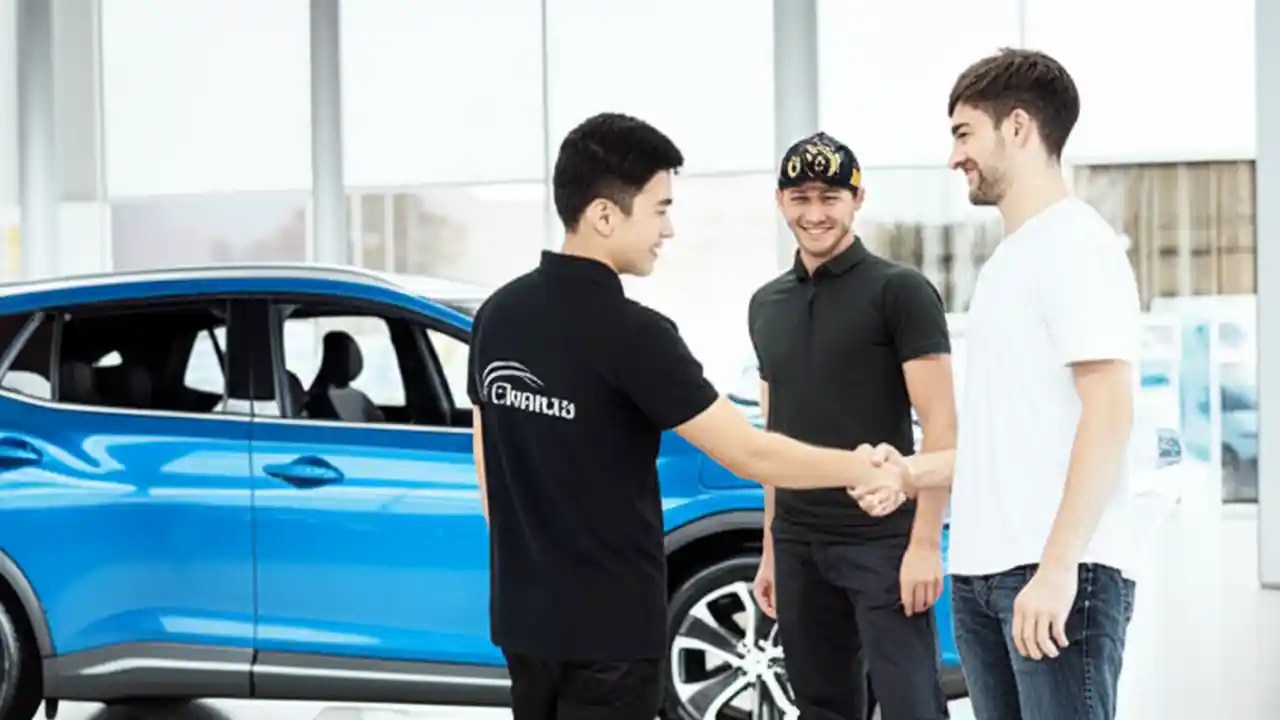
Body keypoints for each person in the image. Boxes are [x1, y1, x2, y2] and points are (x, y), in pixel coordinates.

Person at [465, 112, 913, 720]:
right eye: (658, 209)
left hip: (523, 621)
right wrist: (858, 464)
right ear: (604, 215)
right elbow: (748, 452)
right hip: (611, 632)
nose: (668, 230)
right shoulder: (634, 336)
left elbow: (488, 460)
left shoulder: (498, 315)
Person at [940, 48, 1142, 720]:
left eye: (964, 133)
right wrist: (912, 476)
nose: (954, 157)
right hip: (983, 574)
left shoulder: (1077, 246)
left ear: (1018, 127)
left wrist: (1057, 568)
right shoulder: (1007, 262)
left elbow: (1110, 410)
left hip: (1054, 572)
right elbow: (1015, 432)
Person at [747, 131, 958, 720]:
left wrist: (925, 545)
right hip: (797, 542)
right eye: (801, 197)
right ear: (781, 200)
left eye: (831, 197)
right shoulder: (767, 304)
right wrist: (770, 548)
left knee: (912, 706)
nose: (815, 213)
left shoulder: (901, 292)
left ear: (857, 199)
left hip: (882, 541)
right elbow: (772, 440)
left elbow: (942, 431)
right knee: (821, 706)